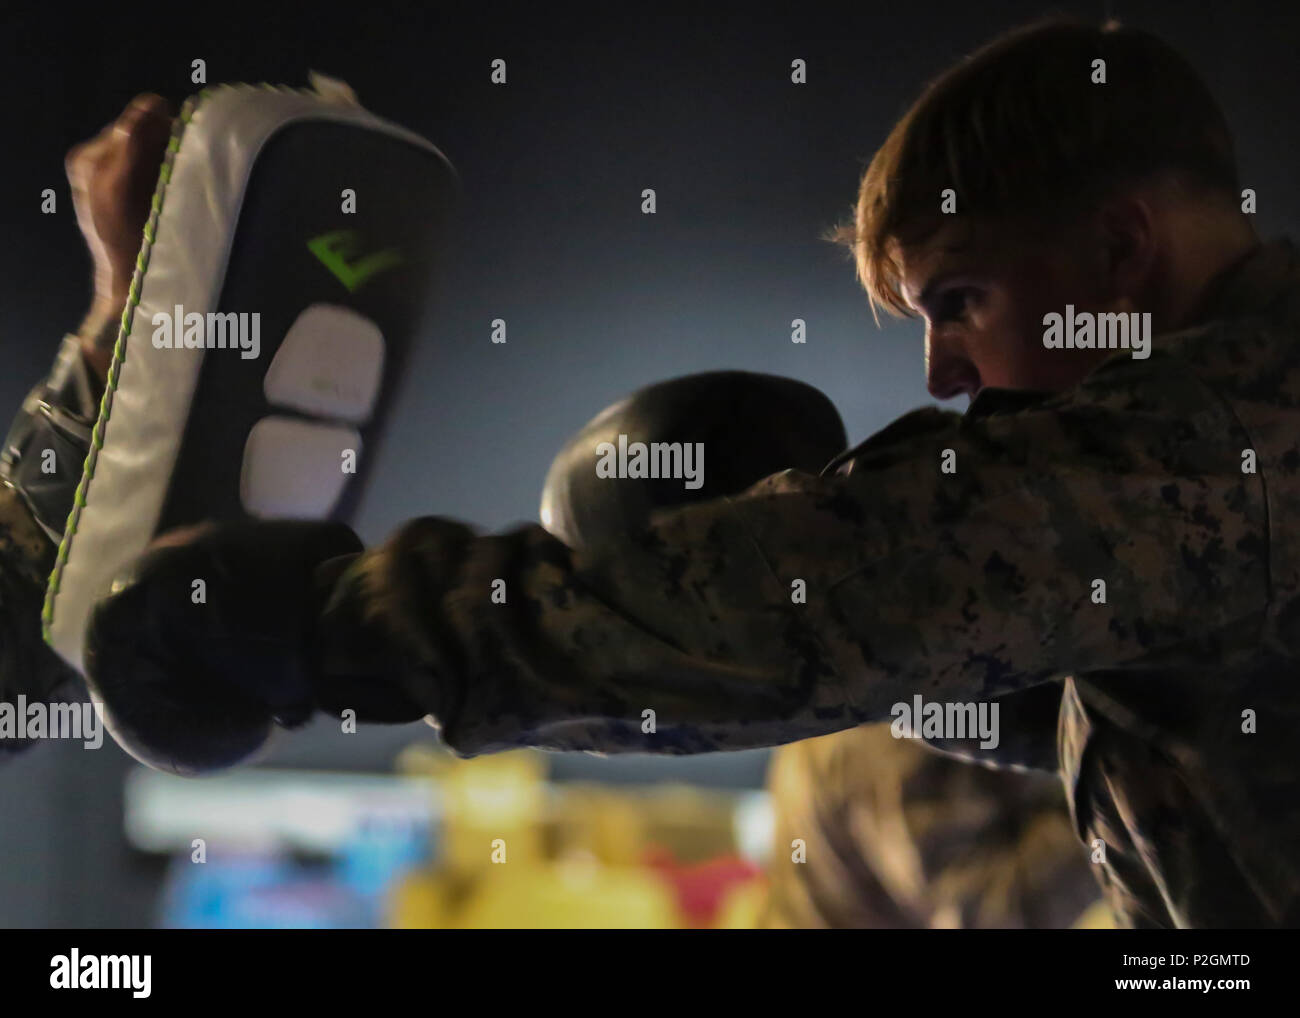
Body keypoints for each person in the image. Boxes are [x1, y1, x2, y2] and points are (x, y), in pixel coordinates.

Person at [34, 17, 1300, 927]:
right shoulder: (1196, 502)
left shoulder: (1227, 433)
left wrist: (334, 633)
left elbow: (858, 578)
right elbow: (1007, 655)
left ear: (1121, 247)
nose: (943, 378)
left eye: (960, 299)